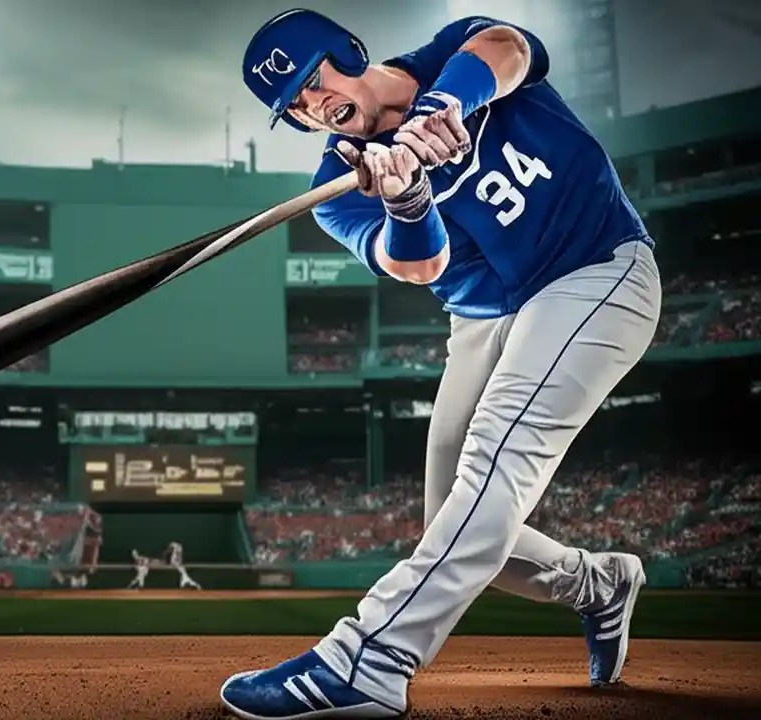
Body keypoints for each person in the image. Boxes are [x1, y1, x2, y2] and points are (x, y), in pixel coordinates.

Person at [222, 10, 661, 719]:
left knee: (493, 463)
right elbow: (419, 263)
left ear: (350, 52)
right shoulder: (337, 186)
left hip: (595, 267)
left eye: (312, 78)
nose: (311, 104)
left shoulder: (449, 54)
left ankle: (369, 659)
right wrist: (407, 196)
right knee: (456, 521)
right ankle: (598, 583)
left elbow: (510, 47)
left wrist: (444, 105)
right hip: (483, 318)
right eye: (293, 106)